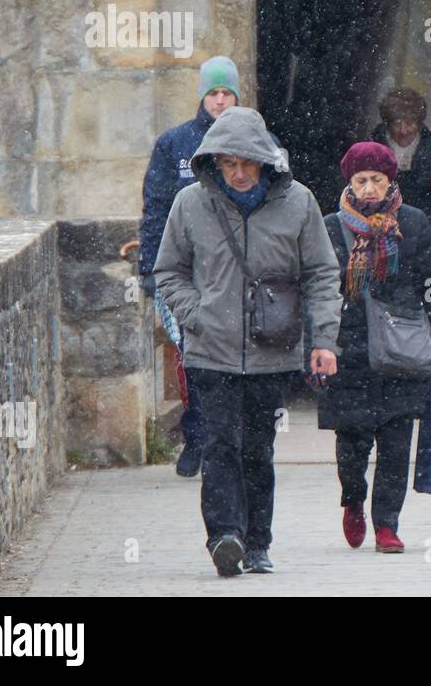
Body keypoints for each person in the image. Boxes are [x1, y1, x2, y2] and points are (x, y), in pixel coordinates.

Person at [154, 107, 342, 577]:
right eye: (229, 163)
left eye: (247, 163)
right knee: (220, 444)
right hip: (210, 351)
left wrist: (323, 341)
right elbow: (169, 271)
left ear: (264, 161)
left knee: (258, 448)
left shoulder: (298, 203)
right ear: (214, 162)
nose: (238, 173)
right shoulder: (190, 205)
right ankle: (224, 536)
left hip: (272, 350)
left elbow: (321, 274)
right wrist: (196, 315)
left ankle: (257, 542)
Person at [317, 142, 431, 554]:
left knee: (397, 442)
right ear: (349, 181)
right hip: (349, 347)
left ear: (390, 180)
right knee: (352, 443)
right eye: (360, 180)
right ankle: (352, 500)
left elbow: (430, 286)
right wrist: (318, 342)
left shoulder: (413, 223)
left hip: (402, 344)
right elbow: (319, 288)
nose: (368, 189)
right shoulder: (330, 227)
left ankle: (387, 524)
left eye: (376, 180)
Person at [138, 56, 245, 478]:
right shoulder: (174, 144)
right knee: (191, 354)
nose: (220, 101)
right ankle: (198, 432)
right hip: (186, 273)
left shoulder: (259, 141)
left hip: (238, 272)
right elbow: (156, 209)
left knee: (238, 356)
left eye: (226, 93)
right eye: (213, 93)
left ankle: (230, 438)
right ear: (203, 96)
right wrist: (150, 269)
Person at [369, 87, 431, 236]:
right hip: (380, 235)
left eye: (410, 123)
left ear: (419, 123)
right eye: (397, 123)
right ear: (387, 123)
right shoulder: (371, 150)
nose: (403, 130)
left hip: (424, 235)